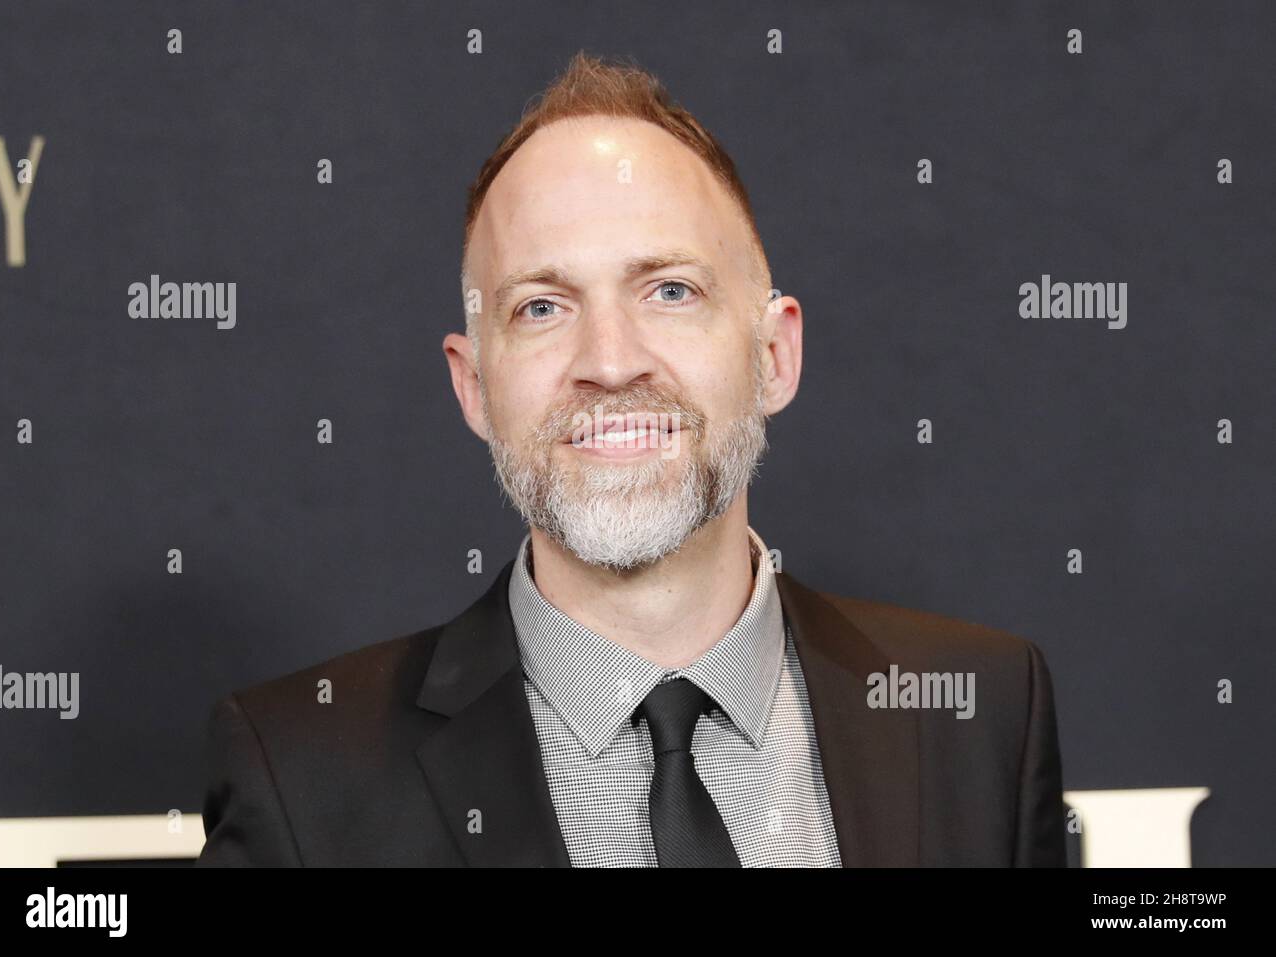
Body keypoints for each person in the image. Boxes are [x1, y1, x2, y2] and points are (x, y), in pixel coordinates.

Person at [196, 50, 1066, 867]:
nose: (610, 362)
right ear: (473, 386)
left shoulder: (979, 710)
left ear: (774, 354)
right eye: (541, 306)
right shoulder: (301, 774)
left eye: (671, 291)